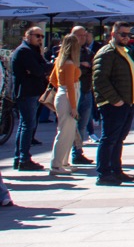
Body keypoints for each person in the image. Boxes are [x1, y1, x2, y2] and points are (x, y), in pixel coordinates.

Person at [92, 22, 134, 186]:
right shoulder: (107, 53)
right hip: (113, 104)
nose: (127, 37)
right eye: (123, 34)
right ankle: (104, 173)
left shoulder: (125, 51)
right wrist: (115, 100)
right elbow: (99, 80)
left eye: (129, 35)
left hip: (127, 102)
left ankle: (116, 170)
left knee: (119, 138)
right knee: (109, 139)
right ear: (113, 34)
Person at [10, 25, 50, 171]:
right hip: (26, 93)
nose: (40, 38)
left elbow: (43, 67)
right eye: (37, 35)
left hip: (31, 92)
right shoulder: (24, 51)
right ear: (27, 36)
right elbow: (39, 70)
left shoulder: (33, 51)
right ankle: (23, 159)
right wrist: (41, 69)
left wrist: (41, 68)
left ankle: (19, 157)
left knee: (25, 125)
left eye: (41, 36)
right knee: (27, 125)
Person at [48, 33, 83, 176]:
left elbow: (52, 79)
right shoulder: (69, 63)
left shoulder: (60, 60)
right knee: (64, 132)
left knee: (67, 132)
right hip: (68, 96)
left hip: (63, 94)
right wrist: (73, 107)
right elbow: (69, 86)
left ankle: (62, 162)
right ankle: (56, 164)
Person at [71, 26, 96, 165]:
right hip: (73, 91)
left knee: (82, 124)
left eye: (84, 35)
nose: (83, 38)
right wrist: (81, 65)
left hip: (86, 90)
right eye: (80, 35)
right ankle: (65, 154)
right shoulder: (67, 51)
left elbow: (92, 66)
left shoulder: (87, 51)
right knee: (69, 125)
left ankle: (77, 152)